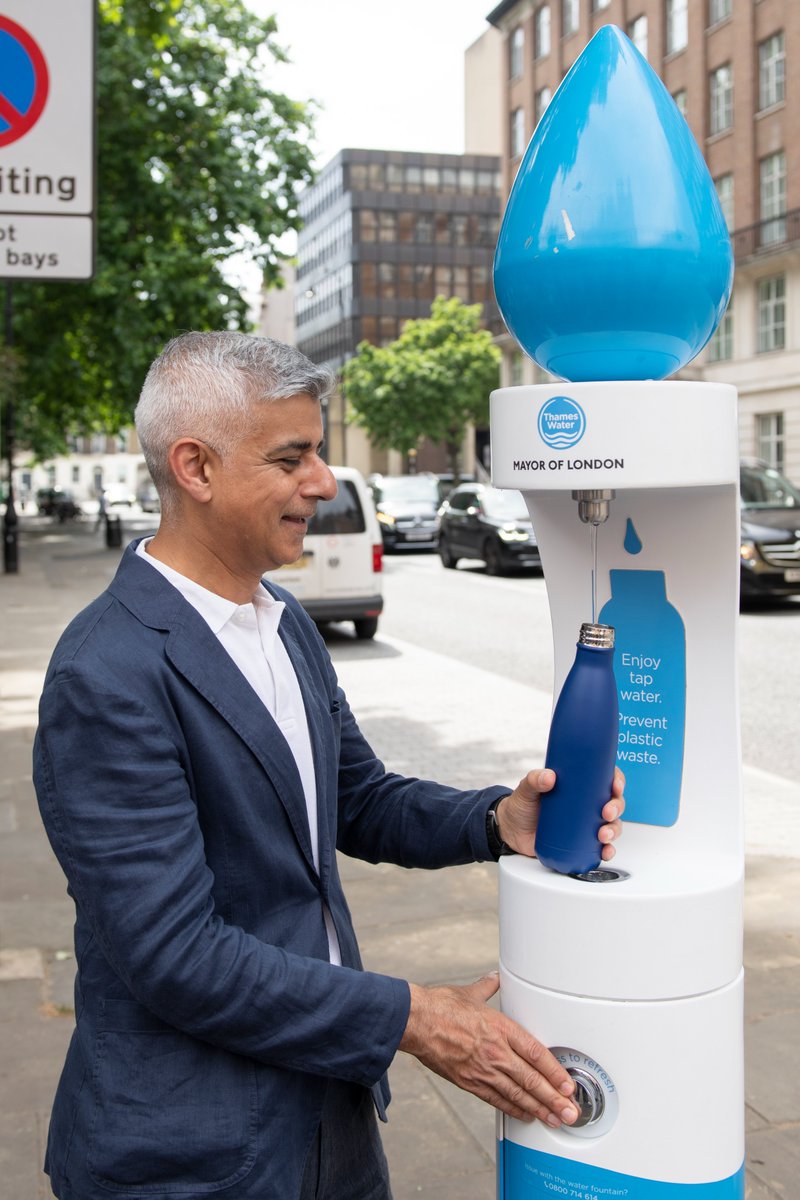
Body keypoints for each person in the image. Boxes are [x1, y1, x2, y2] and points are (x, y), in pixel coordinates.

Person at [33, 332, 625, 1200]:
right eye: (293, 457)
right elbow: (175, 956)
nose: (322, 481)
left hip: (329, 1118)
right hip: (189, 1156)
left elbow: (357, 798)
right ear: (194, 467)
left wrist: (498, 822)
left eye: (321, 452)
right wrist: (415, 1019)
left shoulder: (283, 621)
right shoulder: (105, 672)